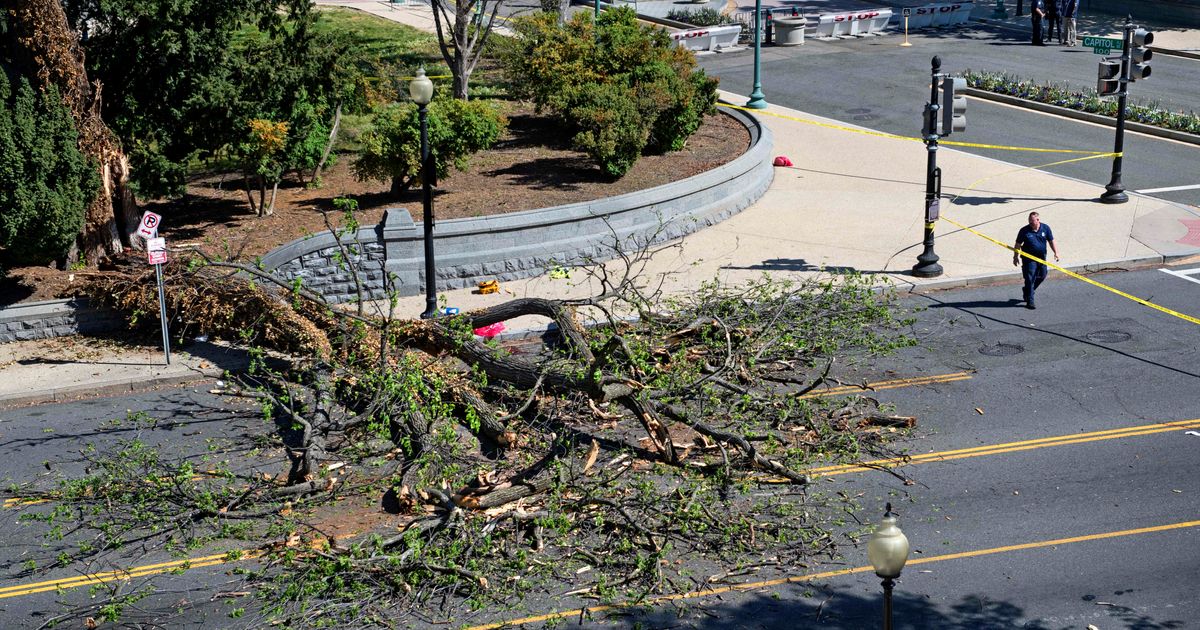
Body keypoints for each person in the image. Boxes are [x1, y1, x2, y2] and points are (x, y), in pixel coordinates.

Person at [1013, 212, 1060, 309]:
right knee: (1030, 278)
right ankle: (1030, 301)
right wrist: (1015, 257)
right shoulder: (1024, 230)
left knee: (1043, 275)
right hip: (1029, 259)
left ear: (1038, 220)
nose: (1030, 223)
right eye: (1029, 221)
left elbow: (1051, 241)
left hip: (1041, 258)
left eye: (1032, 221)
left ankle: (1027, 290)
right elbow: (1018, 244)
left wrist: (1056, 252)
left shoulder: (1045, 228)